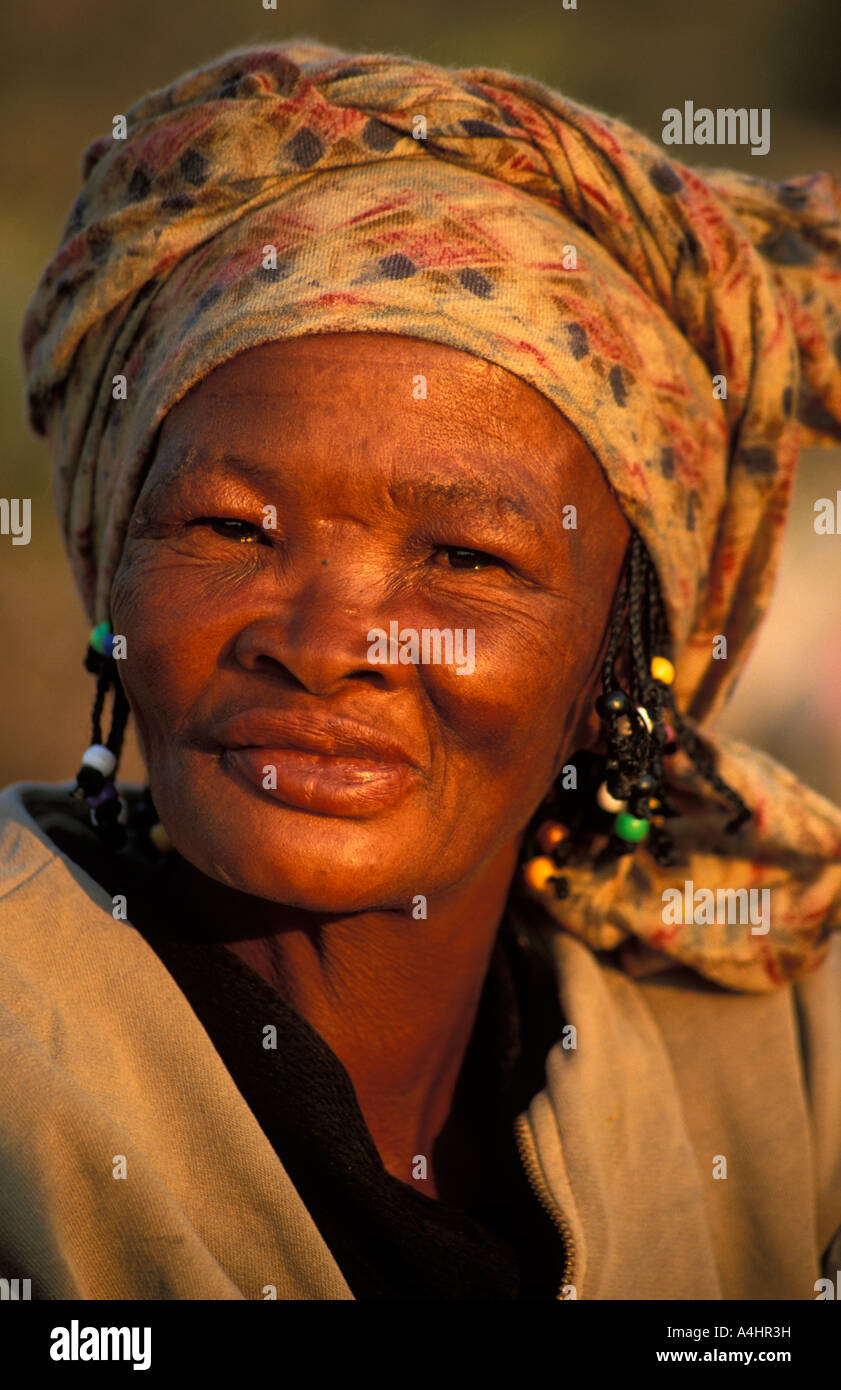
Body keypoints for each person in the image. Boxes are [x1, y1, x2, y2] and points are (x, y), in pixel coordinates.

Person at [3, 38, 841, 1300]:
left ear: (621, 662)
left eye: (464, 556)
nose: (330, 643)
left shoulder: (788, 1076)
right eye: (230, 529)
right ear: (111, 573)